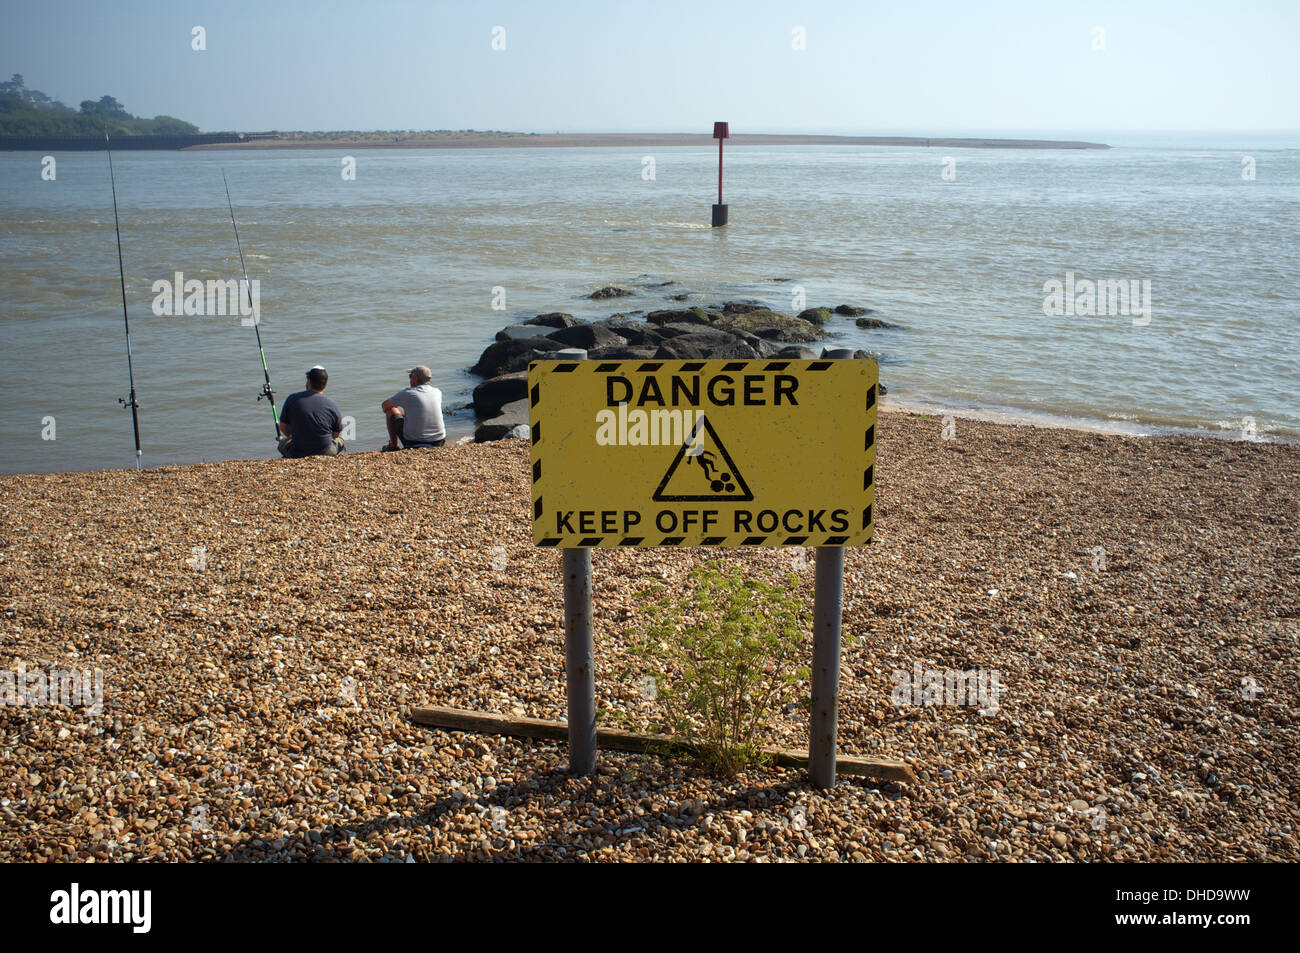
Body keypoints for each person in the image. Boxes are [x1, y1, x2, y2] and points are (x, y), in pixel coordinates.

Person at [278, 365, 345, 458]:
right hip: (326, 452)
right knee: (340, 440)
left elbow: (283, 427)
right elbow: (336, 434)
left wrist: (292, 436)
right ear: (325, 384)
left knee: (282, 443)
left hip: (297, 453)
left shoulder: (292, 399)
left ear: (309, 381)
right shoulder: (332, 404)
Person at [381, 365, 446, 450]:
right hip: (439, 441)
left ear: (415, 378)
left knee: (390, 411)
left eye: (410, 376)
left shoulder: (408, 393)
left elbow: (385, 406)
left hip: (413, 442)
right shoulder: (437, 392)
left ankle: (394, 446)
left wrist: (402, 415)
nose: (410, 379)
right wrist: (408, 414)